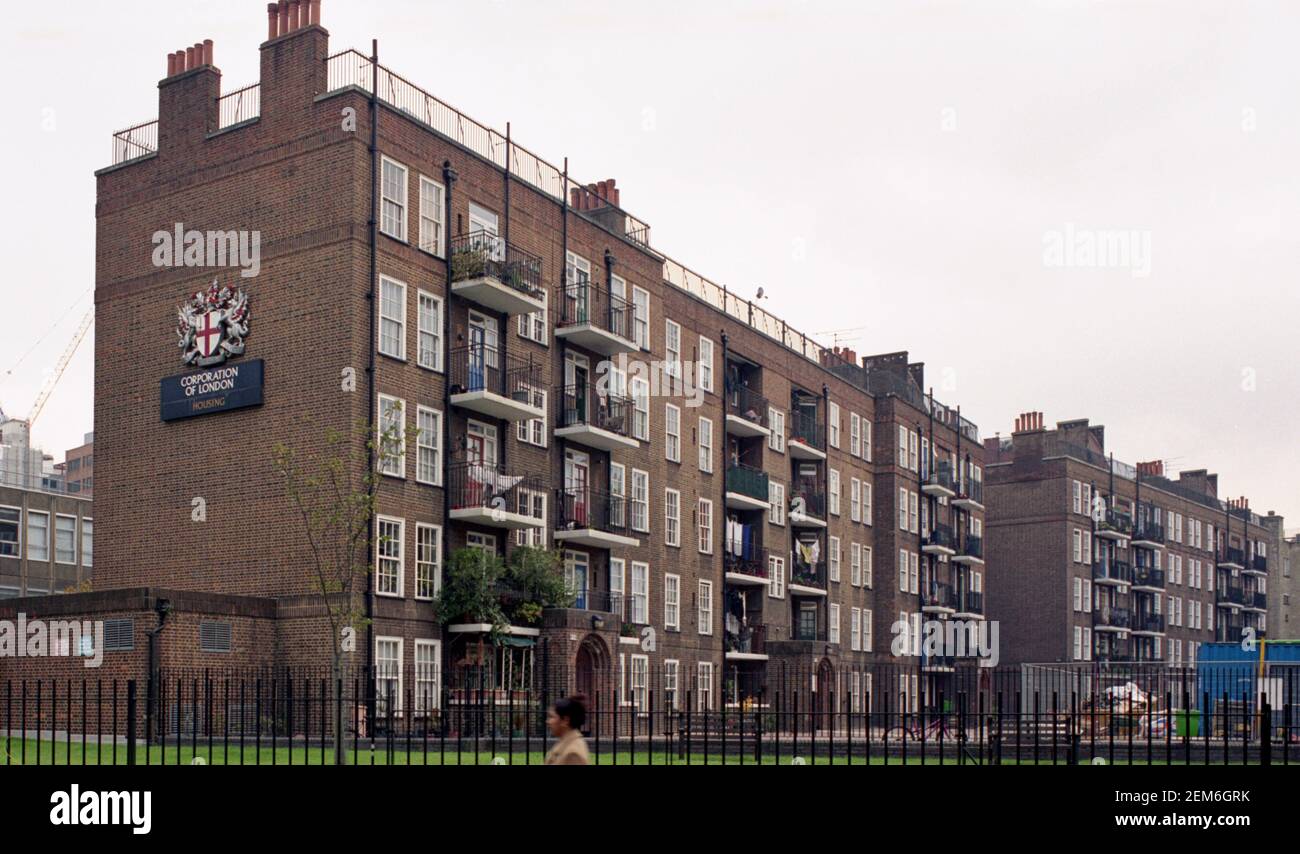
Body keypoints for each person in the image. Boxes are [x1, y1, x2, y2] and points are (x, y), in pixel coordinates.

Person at [544, 695, 591, 765]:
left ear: (565, 720)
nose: (548, 722)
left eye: (552, 717)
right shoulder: (564, 743)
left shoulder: (573, 753)